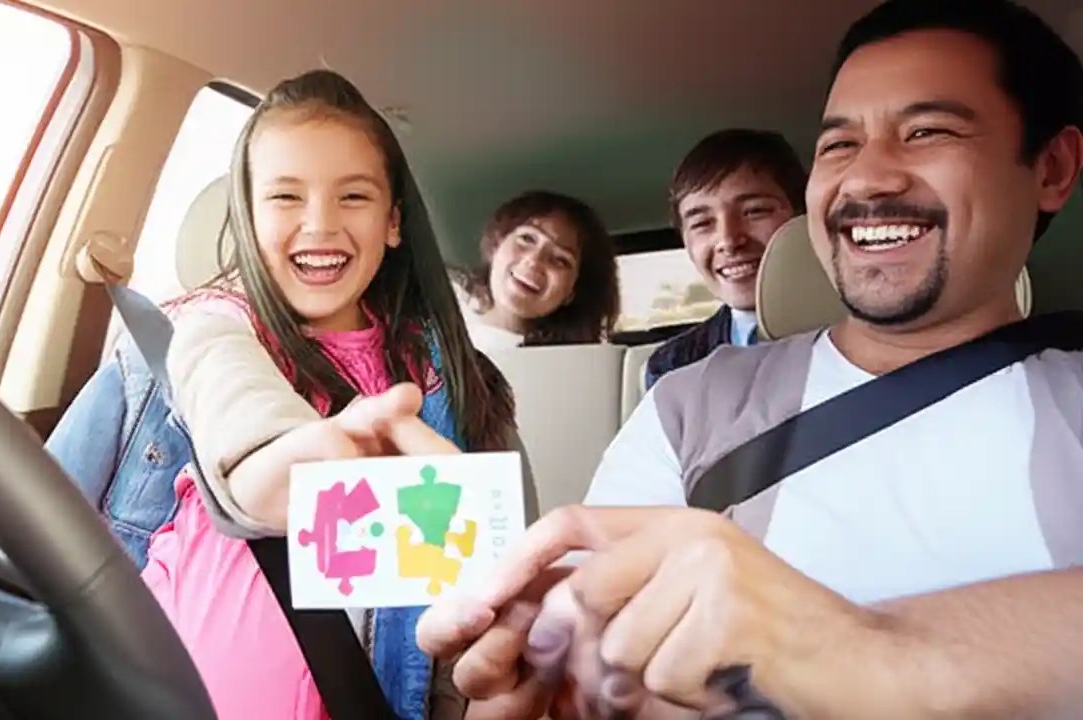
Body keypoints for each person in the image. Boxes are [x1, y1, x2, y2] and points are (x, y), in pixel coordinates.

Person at [415, 0, 1083, 717]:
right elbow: (588, 659)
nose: (866, 180)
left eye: (927, 131)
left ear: (1050, 168)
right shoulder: (689, 404)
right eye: (838, 146)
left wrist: (849, 647)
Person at [136, 69, 537, 720]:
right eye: (286, 197)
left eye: (353, 197)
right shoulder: (208, 327)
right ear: (246, 215)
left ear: (393, 223)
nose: (319, 224)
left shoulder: (453, 382)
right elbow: (231, 391)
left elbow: (494, 586)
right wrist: (285, 457)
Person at [643, 129, 807, 390]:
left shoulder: (871, 339)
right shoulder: (673, 367)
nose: (729, 240)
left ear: (803, 217)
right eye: (702, 223)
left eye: (754, 211)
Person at [451, 190, 619, 353]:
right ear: (496, 244)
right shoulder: (439, 328)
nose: (534, 261)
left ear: (572, 291)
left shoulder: (572, 367)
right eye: (527, 239)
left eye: (560, 259)